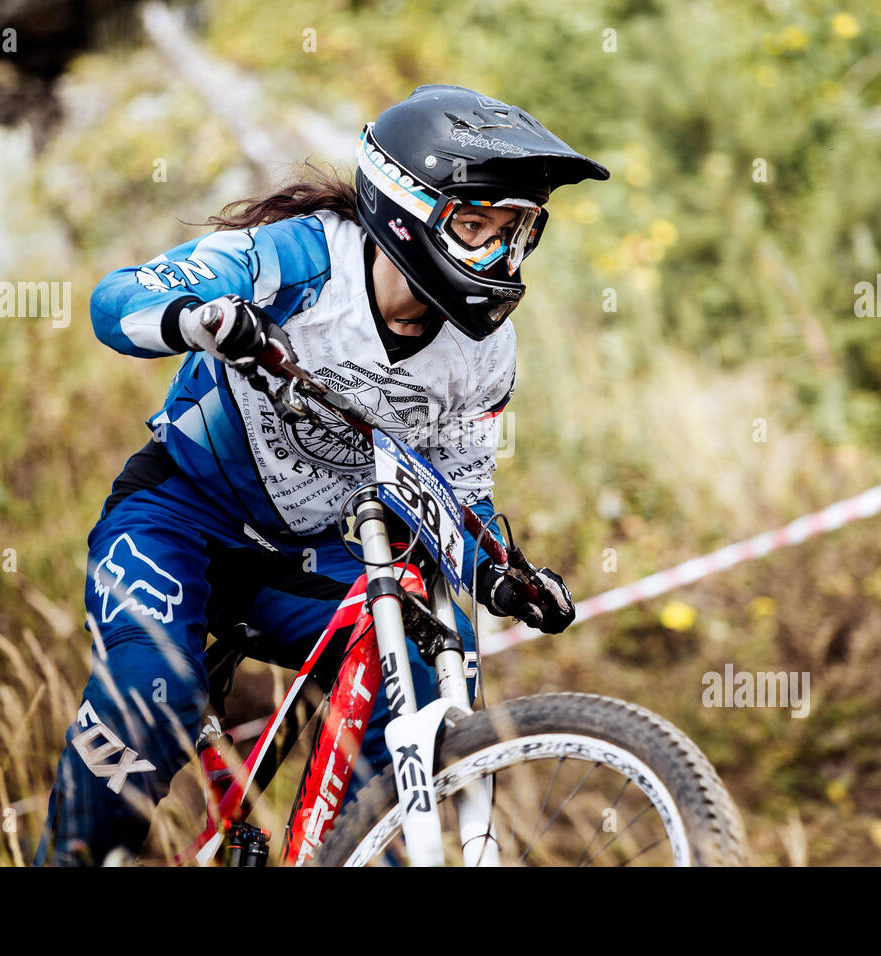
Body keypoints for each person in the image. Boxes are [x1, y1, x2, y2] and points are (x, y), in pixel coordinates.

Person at [33, 84, 609, 865]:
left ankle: (358, 848)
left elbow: (459, 497)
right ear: (409, 208)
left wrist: (499, 573)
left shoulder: (486, 355)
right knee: (150, 692)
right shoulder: (302, 257)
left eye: (516, 232)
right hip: (177, 520)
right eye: (476, 226)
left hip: (306, 557)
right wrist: (199, 318)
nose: (500, 257)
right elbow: (118, 300)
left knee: (439, 653)